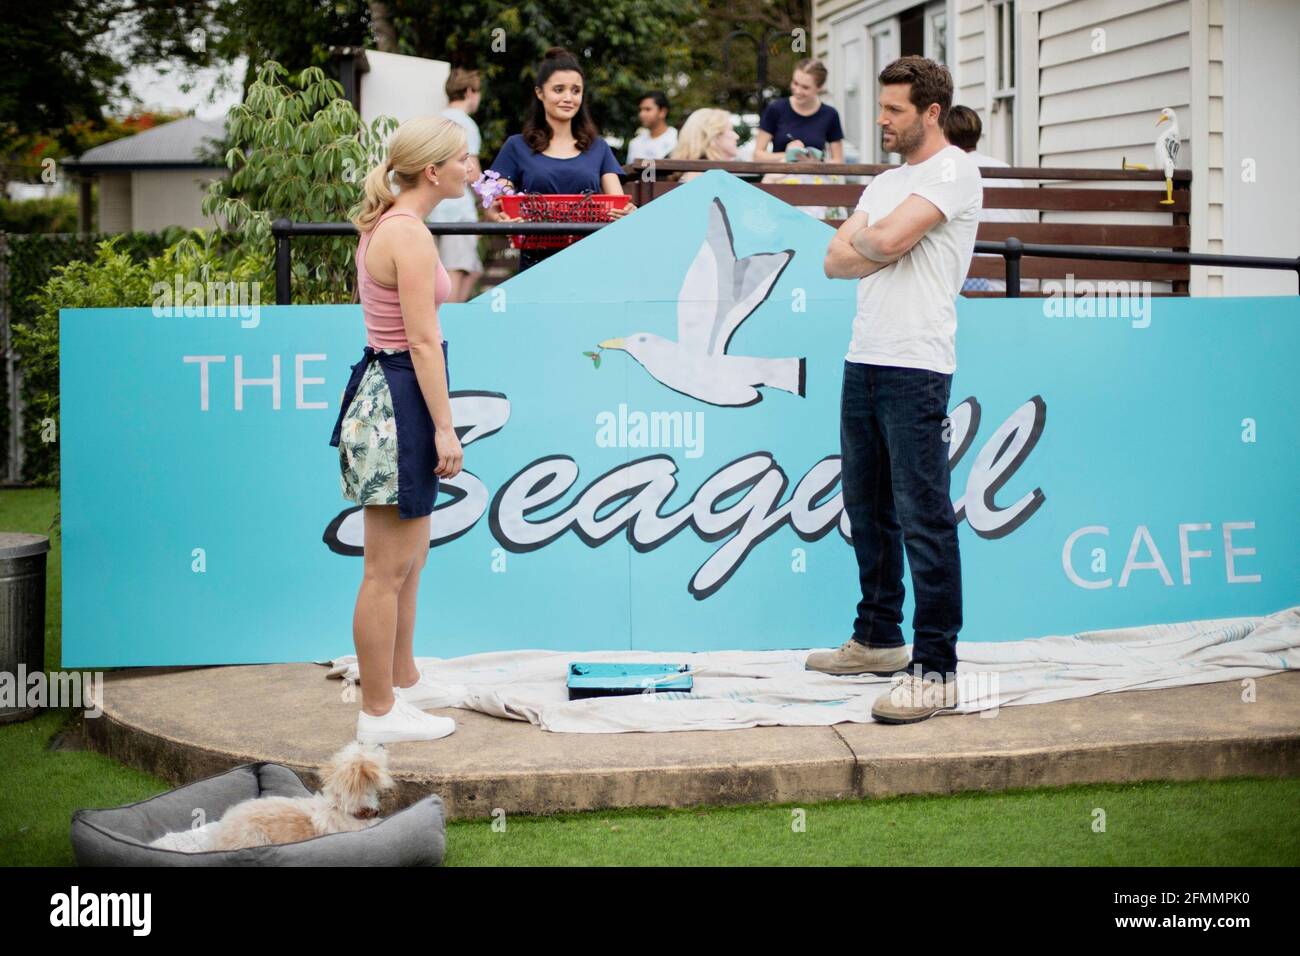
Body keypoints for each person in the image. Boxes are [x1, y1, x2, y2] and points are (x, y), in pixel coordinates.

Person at [812, 56, 982, 725]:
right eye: (880, 109)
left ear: (931, 112)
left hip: (916, 365)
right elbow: (836, 259)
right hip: (864, 357)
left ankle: (936, 669)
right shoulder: (886, 180)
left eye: (893, 111)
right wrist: (878, 242)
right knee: (867, 508)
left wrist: (875, 241)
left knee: (925, 517)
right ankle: (880, 637)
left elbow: (876, 240)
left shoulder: (955, 169)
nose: (880, 121)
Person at [330, 116, 471, 745]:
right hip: (397, 402)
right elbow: (420, 340)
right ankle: (378, 714)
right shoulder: (406, 235)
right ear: (434, 171)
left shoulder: (395, 225)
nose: (473, 168)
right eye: (464, 159)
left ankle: (404, 681)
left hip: (392, 397)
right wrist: (446, 429)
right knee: (385, 570)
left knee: (408, 561)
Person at [483, 46, 636, 271]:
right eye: (558, 89)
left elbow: (618, 202)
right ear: (539, 92)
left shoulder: (599, 147)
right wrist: (499, 217)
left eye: (576, 90)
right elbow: (496, 202)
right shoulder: (516, 146)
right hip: (535, 264)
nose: (568, 98)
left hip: (589, 262)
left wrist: (628, 213)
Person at [943, 104, 1039, 293]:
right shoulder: (1005, 170)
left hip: (983, 284)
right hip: (1023, 278)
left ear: (944, 136)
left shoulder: (950, 170)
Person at [427, 67, 485, 302]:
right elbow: (471, 174)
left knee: (467, 269)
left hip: (433, 211)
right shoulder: (466, 124)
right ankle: (448, 330)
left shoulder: (434, 121)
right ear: (470, 91)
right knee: (457, 272)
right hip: (458, 213)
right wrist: (490, 200)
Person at [752, 58, 845, 164]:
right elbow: (757, 156)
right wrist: (789, 155)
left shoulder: (830, 114)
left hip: (815, 179)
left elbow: (838, 160)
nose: (798, 91)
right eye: (795, 83)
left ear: (819, 88)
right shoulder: (776, 109)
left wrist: (817, 163)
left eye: (805, 87)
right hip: (779, 178)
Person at [666, 108, 739, 182]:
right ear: (714, 135)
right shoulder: (698, 176)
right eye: (731, 129)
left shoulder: (699, 174)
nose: (737, 136)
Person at [626, 90, 678, 163]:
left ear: (663, 112)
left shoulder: (677, 140)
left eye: (648, 109)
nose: (641, 114)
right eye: (640, 110)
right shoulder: (635, 143)